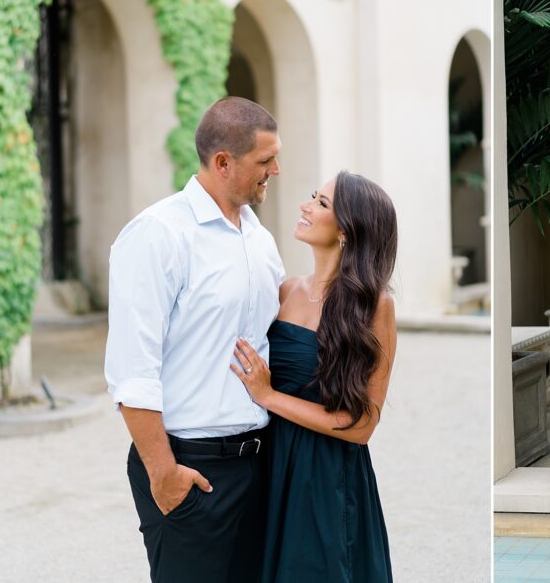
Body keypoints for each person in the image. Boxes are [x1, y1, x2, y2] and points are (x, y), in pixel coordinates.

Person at [104, 97, 283, 582]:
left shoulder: (259, 238)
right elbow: (131, 371)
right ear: (223, 163)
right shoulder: (158, 234)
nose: (277, 170)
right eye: (265, 161)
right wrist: (164, 475)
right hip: (191, 469)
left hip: (258, 465)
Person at [231, 170, 398, 582]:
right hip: (269, 462)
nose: (306, 206)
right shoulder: (286, 289)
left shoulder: (375, 307)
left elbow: (361, 426)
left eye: (321, 204)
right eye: (313, 197)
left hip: (326, 475)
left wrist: (269, 397)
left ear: (347, 231)